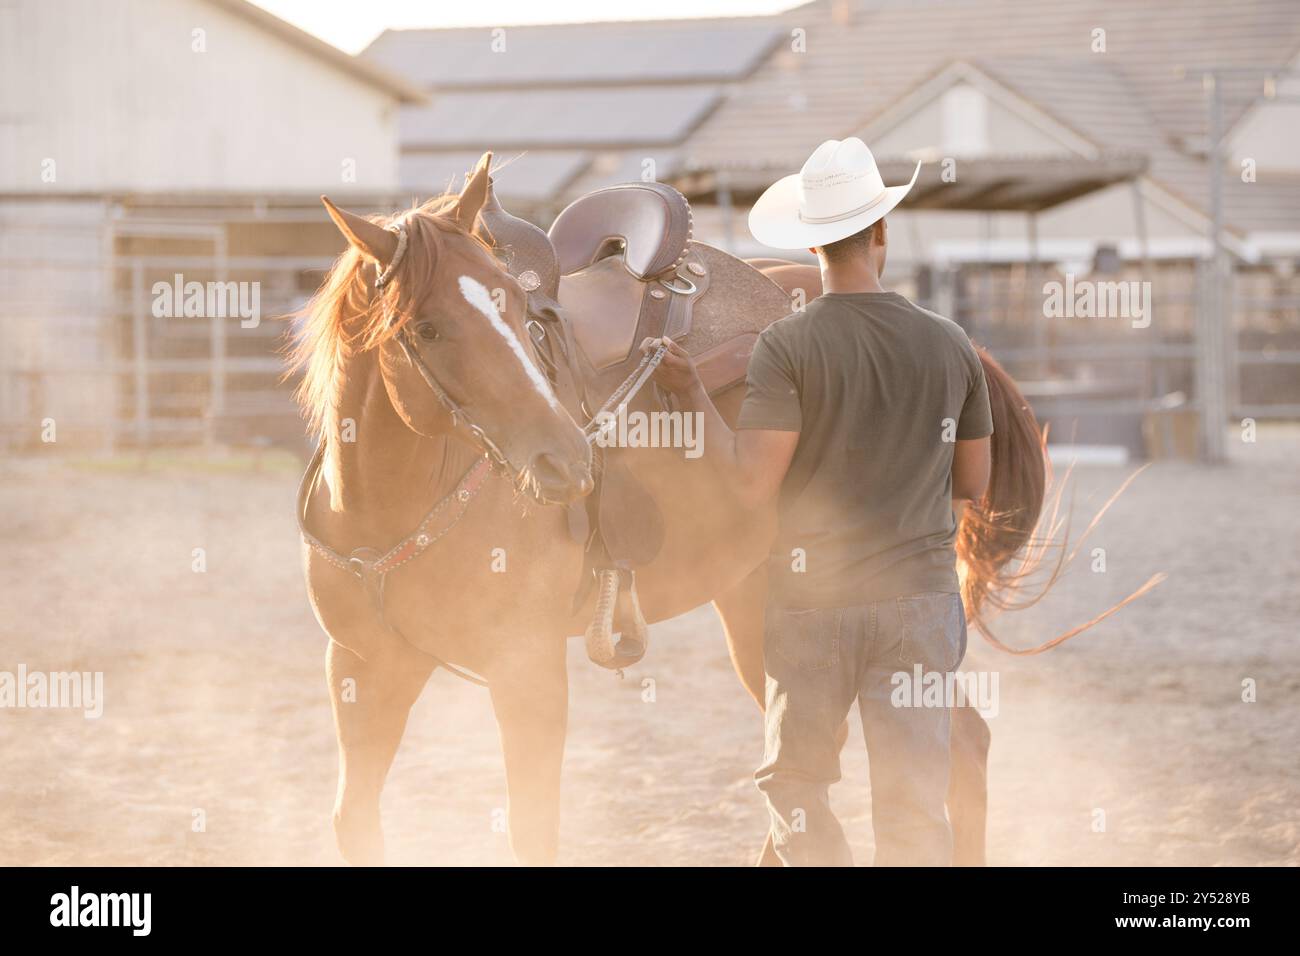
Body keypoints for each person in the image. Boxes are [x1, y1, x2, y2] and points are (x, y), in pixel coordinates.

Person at [644, 137, 993, 866]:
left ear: (812, 242)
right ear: (882, 234)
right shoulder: (950, 343)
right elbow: (974, 482)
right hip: (920, 603)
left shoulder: (786, 346)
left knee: (797, 787)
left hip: (814, 605)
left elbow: (747, 482)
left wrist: (689, 396)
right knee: (911, 802)